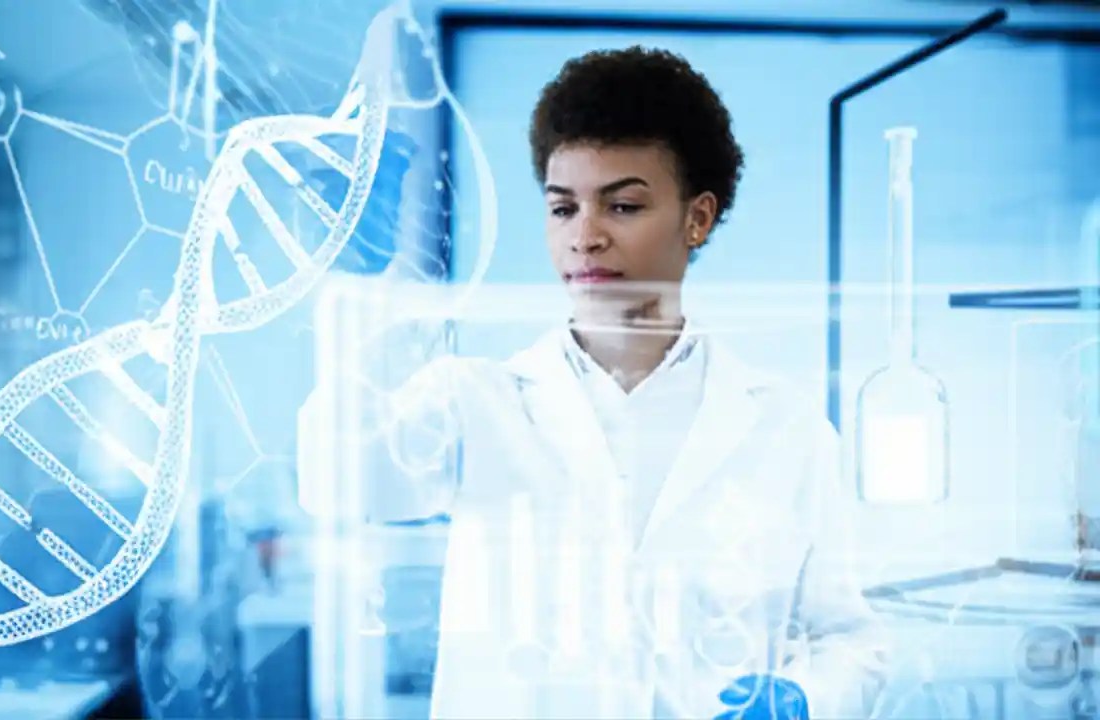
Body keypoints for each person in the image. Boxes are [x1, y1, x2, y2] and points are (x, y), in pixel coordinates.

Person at [299, 46, 887, 719]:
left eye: (624, 206)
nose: (585, 237)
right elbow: (334, 479)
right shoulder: (473, 402)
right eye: (563, 209)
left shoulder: (787, 428)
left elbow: (850, 638)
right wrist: (355, 284)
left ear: (696, 218)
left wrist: (807, 700)